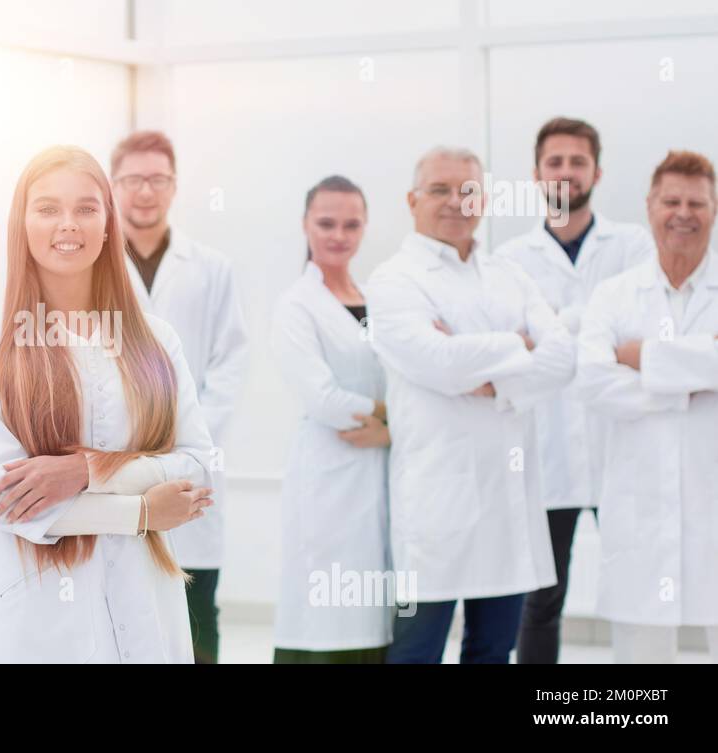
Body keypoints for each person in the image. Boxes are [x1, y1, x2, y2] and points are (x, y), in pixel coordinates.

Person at [0, 145, 216, 664]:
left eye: (86, 208)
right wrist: (141, 510)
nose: (67, 224)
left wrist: (85, 471)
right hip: (40, 614)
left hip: (146, 602)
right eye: (48, 208)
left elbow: (196, 467)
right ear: (20, 223)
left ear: (107, 223)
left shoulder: (155, 340)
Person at [365, 146, 575, 664]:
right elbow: (434, 359)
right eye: (440, 189)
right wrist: (516, 345)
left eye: (468, 190)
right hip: (438, 502)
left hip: (506, 503)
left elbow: (563, 360)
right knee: (417, 651)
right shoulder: (394, 280)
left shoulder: (509, 274)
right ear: (412, 200)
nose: (455, 202)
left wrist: (489, 378)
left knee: (492, 651)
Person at [492, 117, 654, 664]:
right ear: (536, 174)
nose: (566, 172)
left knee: (638, 593)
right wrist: (596, 328)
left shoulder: (633, 245)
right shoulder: (511, 260)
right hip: (549, 449)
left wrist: (553, 329)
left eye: (577, 162)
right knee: (541, 599)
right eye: (555, 162)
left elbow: (643, 331)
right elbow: (513, 345)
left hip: (623, 445)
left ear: (597, 171)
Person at [110, 131, 248, 664]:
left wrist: (189, 436)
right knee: (124, 605)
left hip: (194, 462)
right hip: (117, 461)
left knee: (196, 608)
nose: (146, 191)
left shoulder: (211, 267)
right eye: (133, 179)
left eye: (158, 179)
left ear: (174, 185)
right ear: (115, 185)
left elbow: (231, 360)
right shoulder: (92, 266)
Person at [576, 149, 718, 663]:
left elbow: (618, 376)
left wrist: (644, 358)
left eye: (697, 202)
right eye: (672, 201)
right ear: (649, 206)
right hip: (639, 514)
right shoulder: (614, 296)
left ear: (715, 209)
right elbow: (593, 382)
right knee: (641, 676)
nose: (684, 213)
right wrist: (696, 378)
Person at [270, 176, 391, 664]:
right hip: (328, 472)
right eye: (326, 223)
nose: (338, 234)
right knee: (326, 606)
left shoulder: (378, 297)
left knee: (372, 605)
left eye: (351, 224)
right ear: (305, 224)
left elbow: (405, 373)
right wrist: (393, 417)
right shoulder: (296, 305)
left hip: (381, 470)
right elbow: (323, 398)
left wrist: (392, 424)